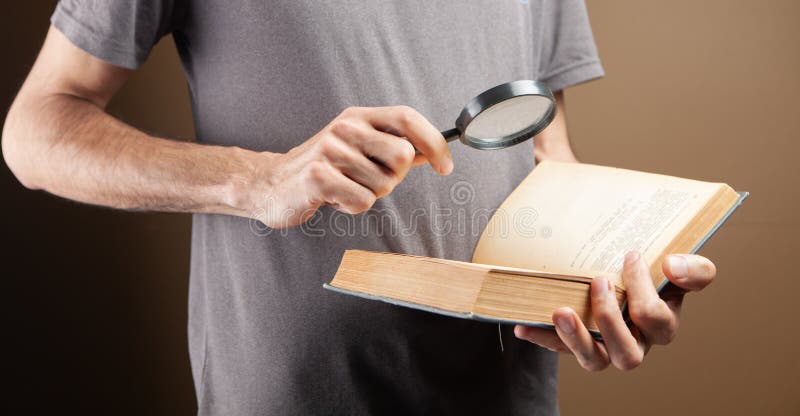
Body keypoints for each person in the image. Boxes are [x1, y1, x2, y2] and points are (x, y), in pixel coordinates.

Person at [1, 1, 717, 414]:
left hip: (508, 398)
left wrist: (608, 287)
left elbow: (541, 143)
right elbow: (36, 129)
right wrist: (258, 179)